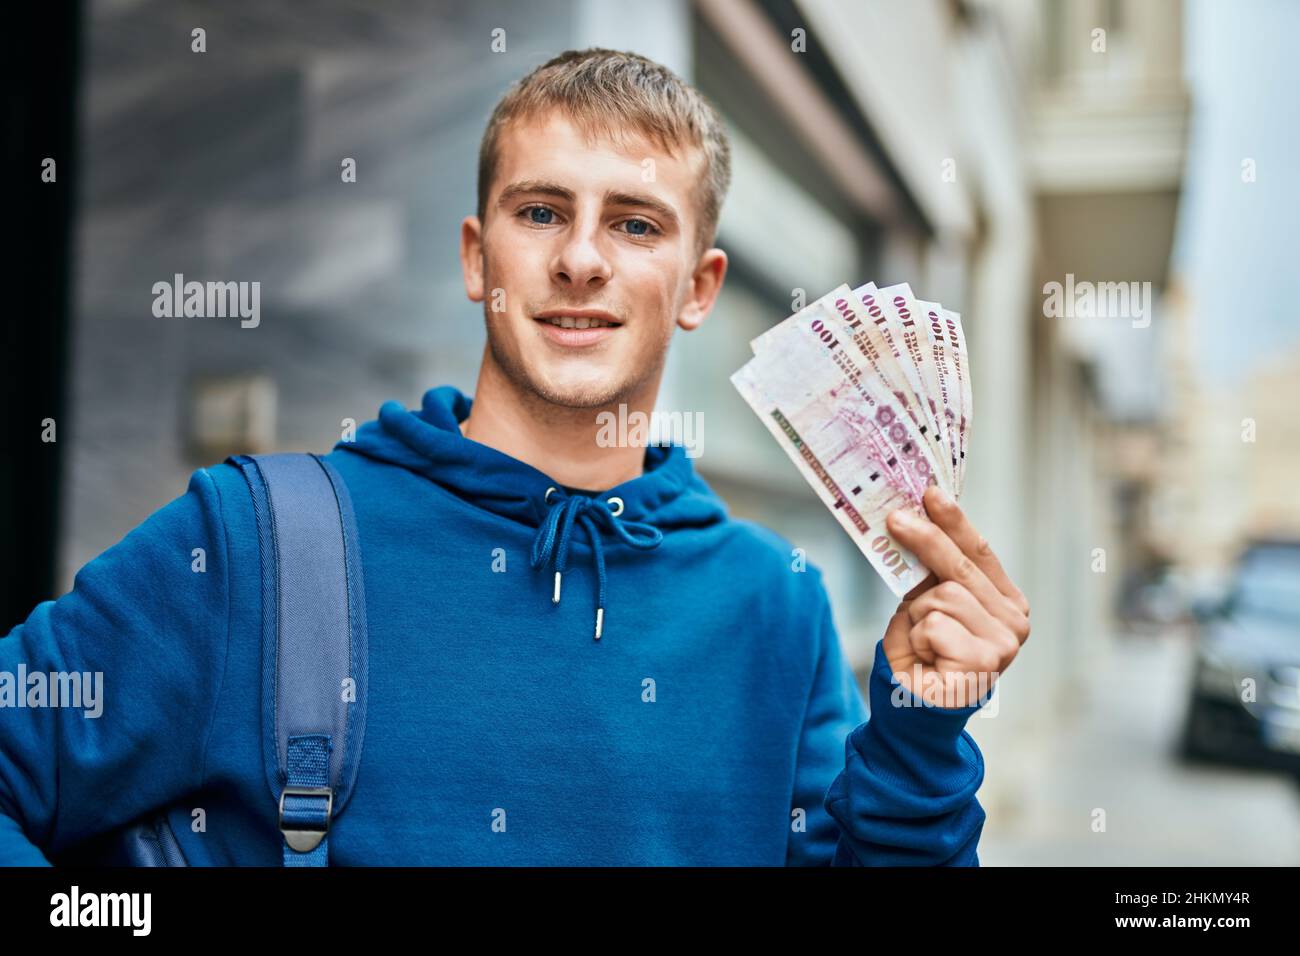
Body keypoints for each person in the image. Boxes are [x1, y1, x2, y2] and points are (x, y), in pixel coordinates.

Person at [0, 48, 1029, 866]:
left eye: (633, 224)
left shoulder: (777, 604)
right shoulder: (256, 544)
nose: (580, 257)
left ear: (699, 286)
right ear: (475, 255)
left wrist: (919, 733)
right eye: (540, 212)